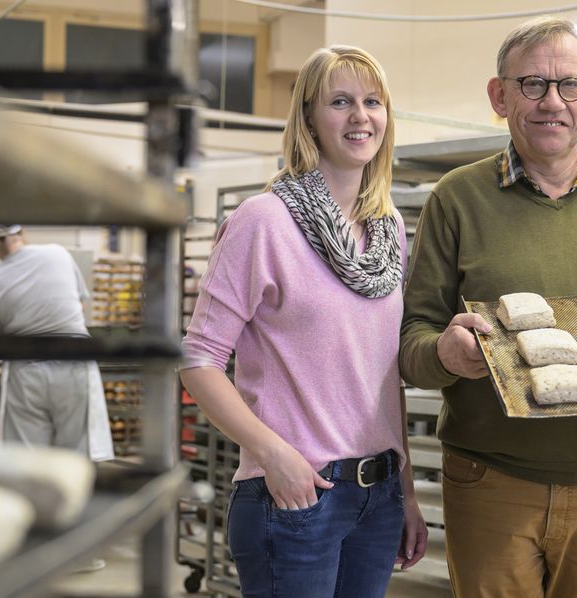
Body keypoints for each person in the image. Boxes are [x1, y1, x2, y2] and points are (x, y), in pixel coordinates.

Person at [399, 16, 577, 598]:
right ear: (499, 96)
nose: (552, 101)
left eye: (569, 85)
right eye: (531, 84)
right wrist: (445, 354)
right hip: (491, 479)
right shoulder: (456, 199)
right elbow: (412, 342)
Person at [179, 45, 427, 598]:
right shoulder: (263, 221)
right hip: (296, 493)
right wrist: (273, 455)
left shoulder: (388, 230)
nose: (361, 116)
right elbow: (197, 359)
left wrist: (406, 491)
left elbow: (384, 375)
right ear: (309, 118)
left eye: (373, 102)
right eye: (340, 102)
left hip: (378, 495)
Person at [0, 224, 114, 463]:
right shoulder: (58, 254)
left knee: (27, 459)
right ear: (22, 234)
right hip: (73, 360)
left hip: (27, 371)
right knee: (76, 459)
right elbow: (80, 306)